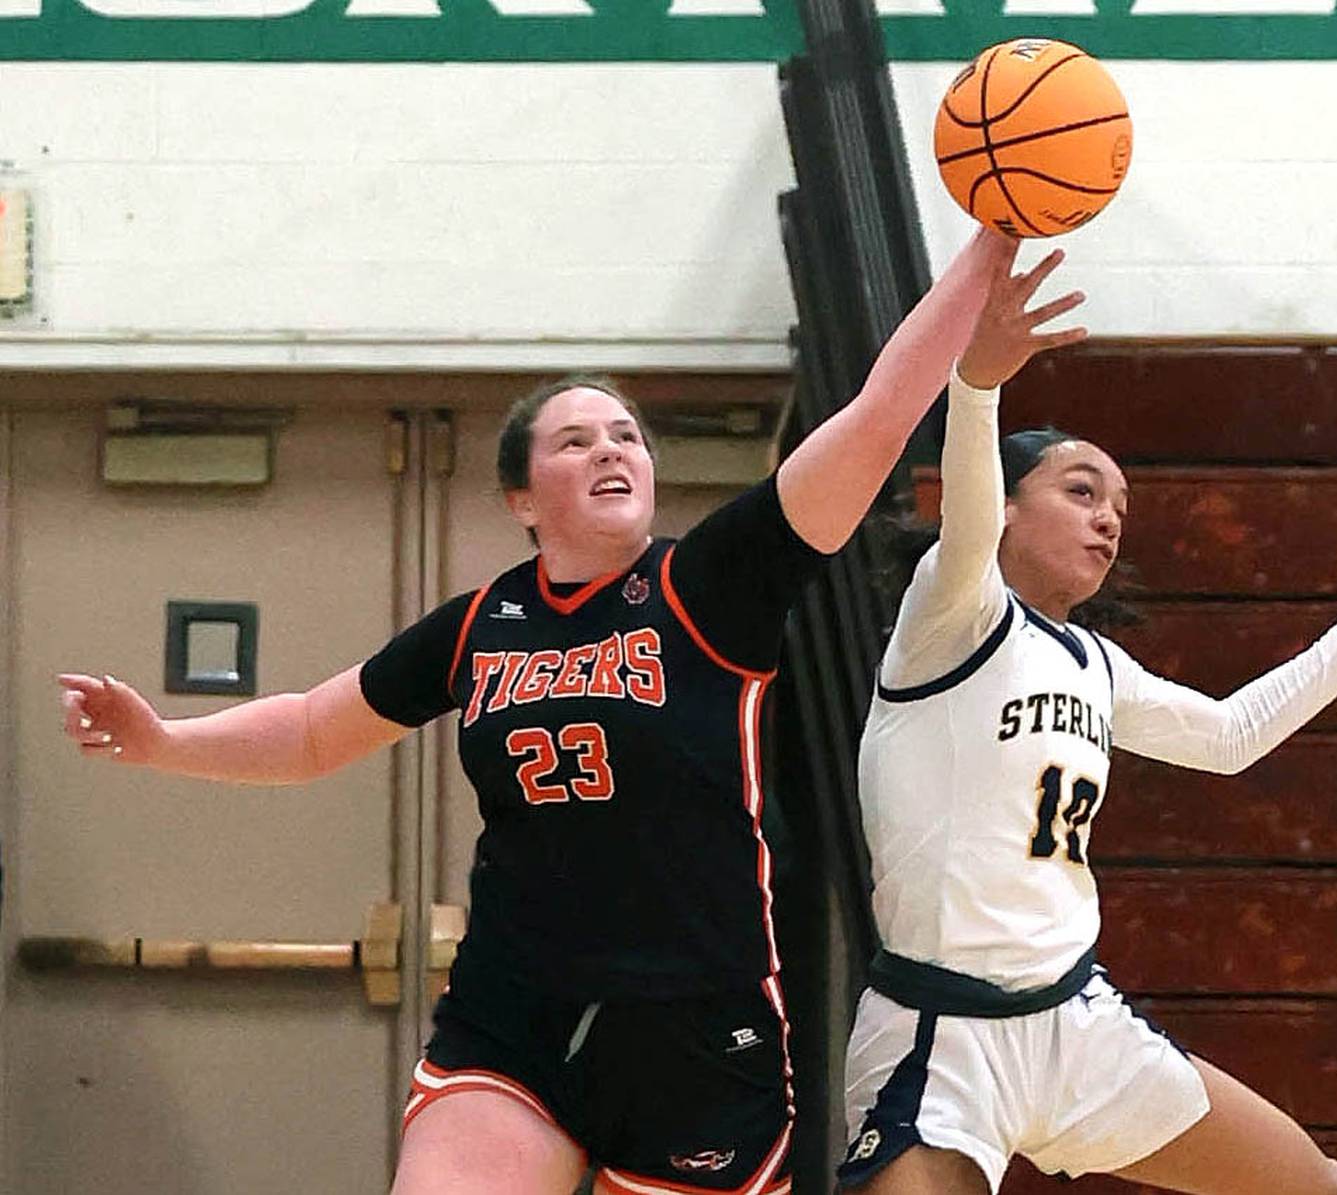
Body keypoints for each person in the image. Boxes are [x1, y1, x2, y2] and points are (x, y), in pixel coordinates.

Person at [58, 233, 1087, 1195]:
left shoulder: (710, 585)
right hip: (513, 1021)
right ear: (521, 496)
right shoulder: (477, 627)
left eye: (627, 435)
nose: (611, 450)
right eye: (575, 439)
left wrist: (989, 240)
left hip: (695, 1028)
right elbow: (314, 730)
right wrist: (162, 741)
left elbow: (869, 422)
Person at [837, 259, 1337, 1195]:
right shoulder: (951, 616)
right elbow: (967, 508)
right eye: (1080, 491)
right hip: (939, 1034)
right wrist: (977, 381)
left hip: (1077, 1021)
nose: (1110, 519)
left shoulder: (1095, 664)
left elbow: (1234, 734)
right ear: (1007, 504)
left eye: (1120, 507)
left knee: (1326, 1187)